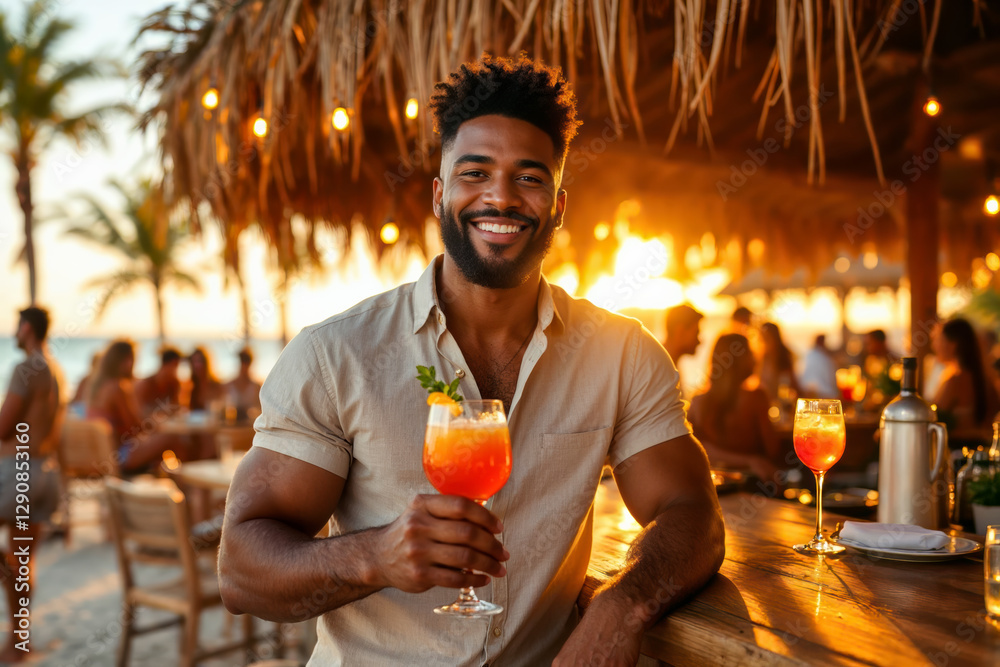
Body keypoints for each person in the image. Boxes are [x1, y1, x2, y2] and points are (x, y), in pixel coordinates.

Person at [219, 55, 724, 666]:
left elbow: (693, 513)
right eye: (475, 172)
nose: (501, 197)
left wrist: (624, 603)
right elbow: (242, 572)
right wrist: (373, 557)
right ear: (439, 194)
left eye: (530, 178)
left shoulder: (622, 354)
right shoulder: (335, 355)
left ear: (559, 205)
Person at [0, 307, 64, 662]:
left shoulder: (24, 369)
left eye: (17, 324)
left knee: (16, 561)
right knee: (23, 561)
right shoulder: (55, 369)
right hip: (44, 472)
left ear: (27, 327)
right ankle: (19, 641)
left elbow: (4, 427)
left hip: (17, 473)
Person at [689, 334, 782, 483]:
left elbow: (696, 448)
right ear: (742, 360)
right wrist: (751, 460)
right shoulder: (756, 398)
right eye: (750, 353)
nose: (755, 358)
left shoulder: (698, 401)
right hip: (750, 482)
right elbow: (773, 450)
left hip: (712, 482)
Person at [87, 340, 189, 471]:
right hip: (118, 455)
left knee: (161, 448)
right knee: (173, 438)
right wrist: (155, 422)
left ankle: (163, 481)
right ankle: (185, 487)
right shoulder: (118, 388)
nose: (132, 364)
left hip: (100, 455)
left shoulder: (98, 386)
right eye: (131, 359)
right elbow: (135, 427)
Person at [932, 318, 1000, 448]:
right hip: (984, 448)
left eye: (938, 340)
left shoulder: (957, 380)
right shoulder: (985, 377)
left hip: (959, 451)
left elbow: (932, 417)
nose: (934, 346)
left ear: (953, 345)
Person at [758, 321, 801, 401]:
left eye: (766, 337)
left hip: (780, 403)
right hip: (765, 402)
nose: (763, 341)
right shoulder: (761, 357)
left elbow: (793, 382)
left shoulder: (783, 357)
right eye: (762, 337)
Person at [134, 346, 182, 417]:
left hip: (165, 425)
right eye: (176, 366)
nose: (176, 370)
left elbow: (175, 408)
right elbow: (137, 412)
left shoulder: (174, 384)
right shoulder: (145, 385)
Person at [223, 347, 262, 422]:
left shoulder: (256, 387)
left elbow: (260, 411)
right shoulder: (228, 386)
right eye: (242, 361)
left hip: (250, 427)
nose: (244, 365)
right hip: (233, 426)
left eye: (246, 362)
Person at [799, 334, 839, 399]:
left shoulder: (808, 356)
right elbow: (831, 378)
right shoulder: (824, 358)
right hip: (825, 395)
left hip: (809, 393)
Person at [185, 346, 223, 411]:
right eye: (193, 362)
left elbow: (221, 407)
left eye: (199, 361)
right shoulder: (191, 387)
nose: (196, 365)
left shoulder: (216, 386)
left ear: (206, 363)